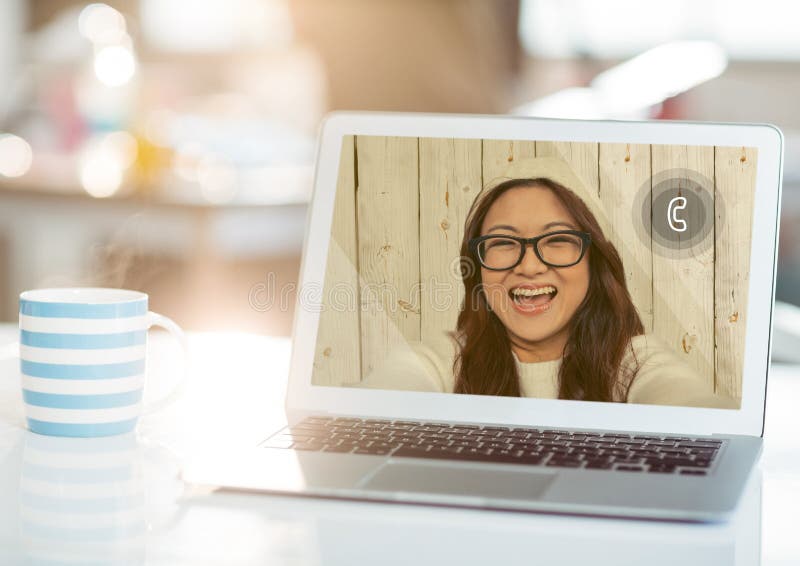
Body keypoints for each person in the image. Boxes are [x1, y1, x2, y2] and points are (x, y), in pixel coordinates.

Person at [360, 177, 737, 409]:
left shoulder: (634, 361)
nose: (529, 266)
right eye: (504, 242)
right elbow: (384, 400)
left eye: (557, 239)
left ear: (594, 262)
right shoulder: (444, 359)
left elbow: (691, 409)